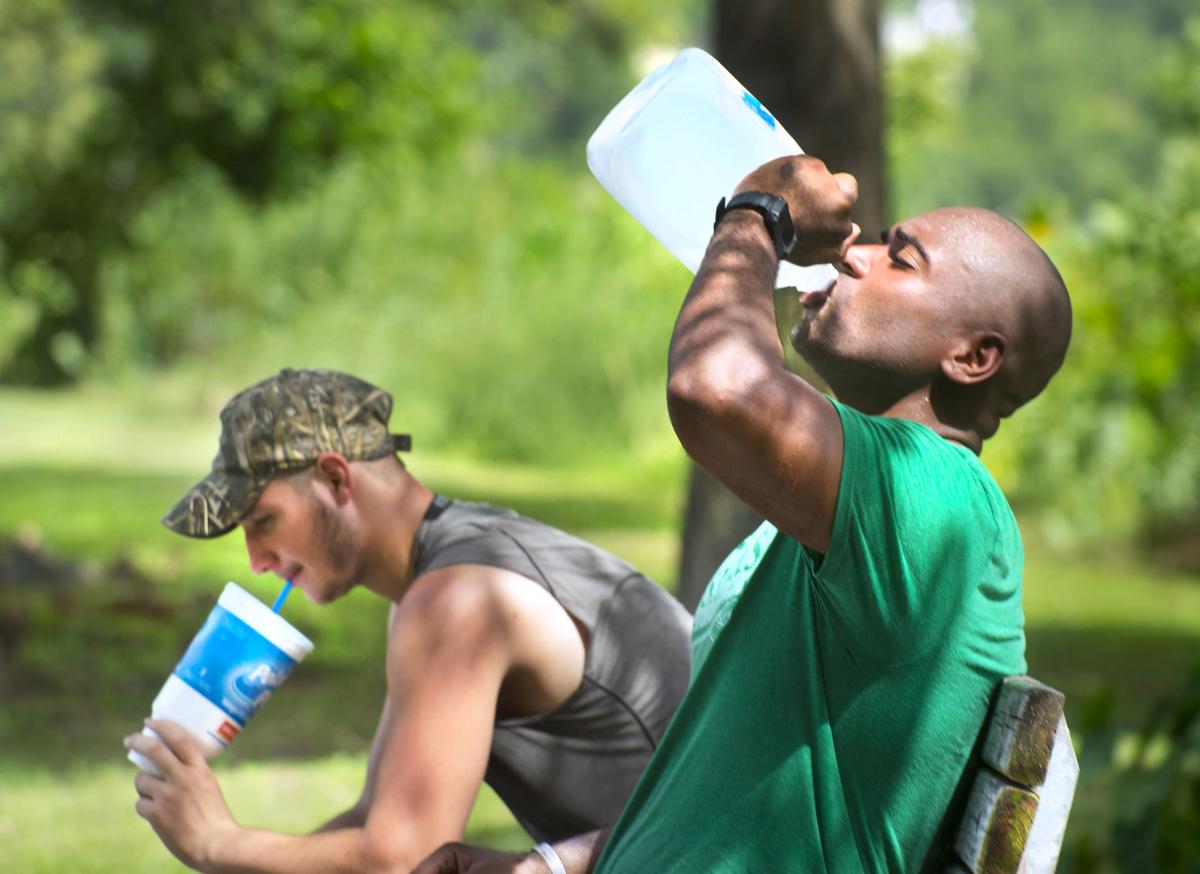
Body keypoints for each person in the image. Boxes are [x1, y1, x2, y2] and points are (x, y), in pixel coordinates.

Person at [412, 154, 1072, 873]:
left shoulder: (941, 496)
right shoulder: (852, 513)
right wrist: (553, 866)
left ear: (973, 357)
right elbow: (731, 809)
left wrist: (762, 211)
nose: (854, 253)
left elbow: (716, 388)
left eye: (900, 259)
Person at [123, 368, 693, 874]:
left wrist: (219, 845)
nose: (256, 559)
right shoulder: (452, 568)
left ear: (336, 479)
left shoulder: (457, 600)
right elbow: (375, 823)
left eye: (264, 520)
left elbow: (400, 859)